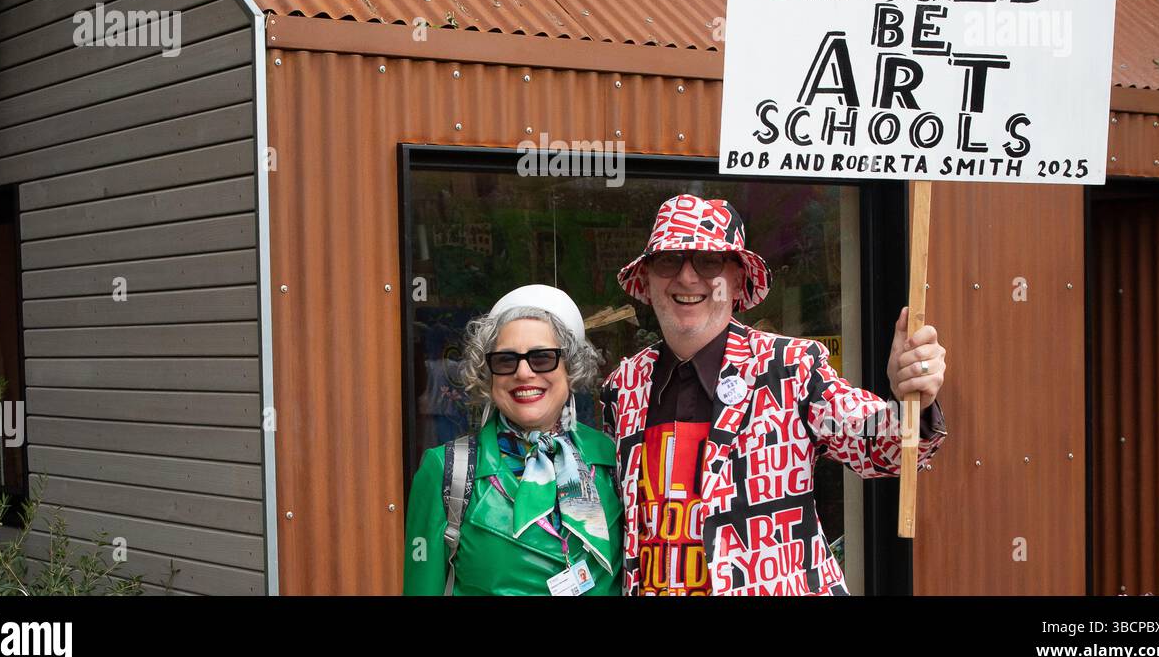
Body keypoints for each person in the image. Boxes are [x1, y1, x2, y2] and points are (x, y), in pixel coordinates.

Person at [604, 194, 949, 595]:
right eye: (669, 259)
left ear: (736, 279)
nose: (687, 277)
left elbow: (881, 447)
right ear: (647, 278)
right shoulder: (623, 385)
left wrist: (915, 403)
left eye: (708, 260)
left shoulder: (790, 367)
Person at [403, 284, 623, 595]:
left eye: (542, 358)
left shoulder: (613, 459)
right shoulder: (447, 471)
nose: (523, 373)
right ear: (488, 374)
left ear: (570, 367)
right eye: (506, 361)